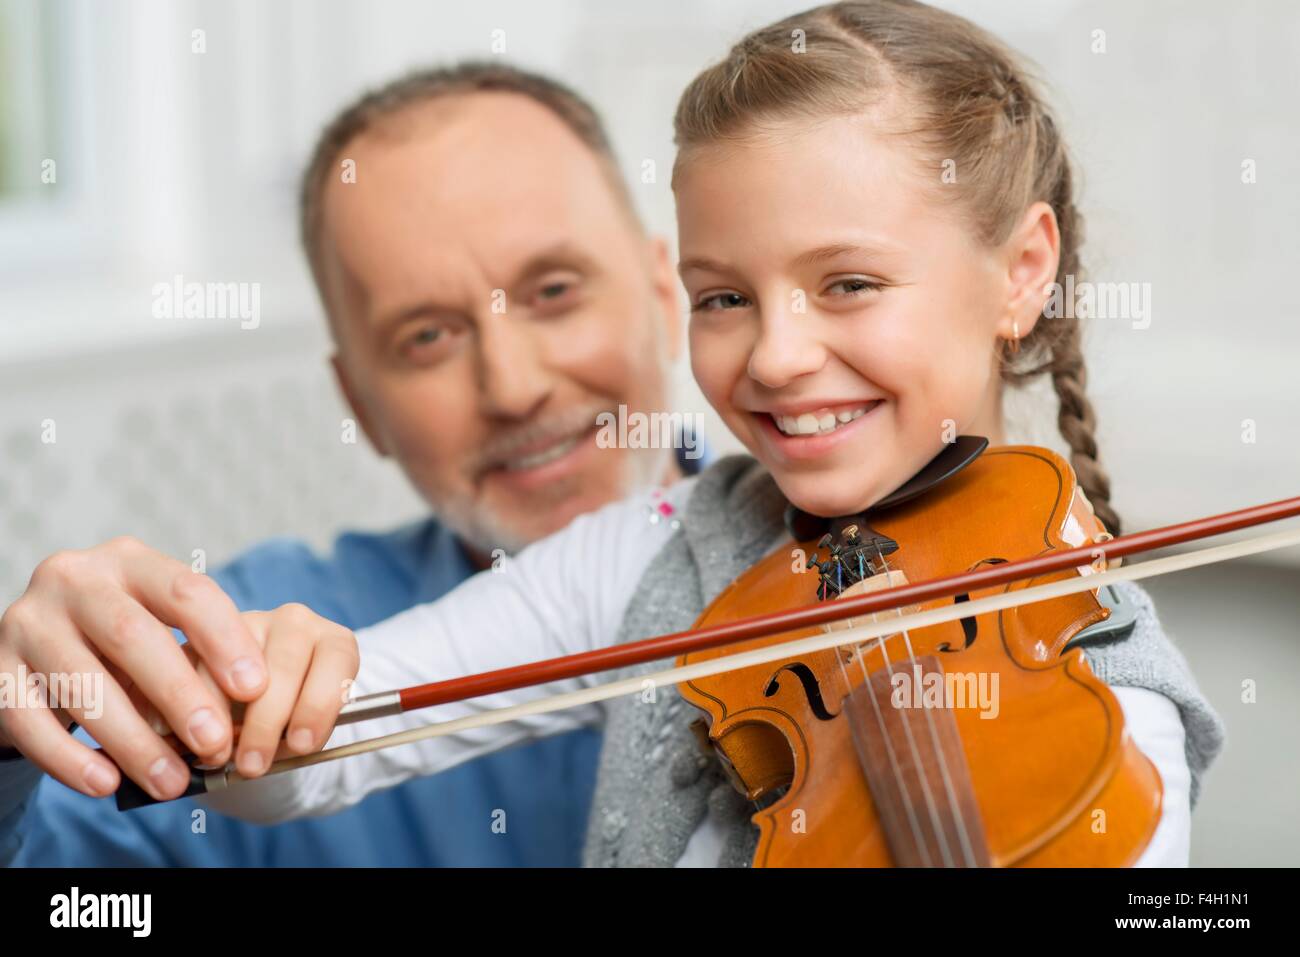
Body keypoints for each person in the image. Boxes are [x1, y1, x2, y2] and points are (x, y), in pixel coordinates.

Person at [2, 0, 1224, 867]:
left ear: (1020, 276)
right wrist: (240, 696)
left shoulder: (1105, 669)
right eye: (727, 297)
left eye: (848, 283)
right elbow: (322, 749)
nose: (780, 353)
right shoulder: (650, 558)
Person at [0, 62, 702, 867]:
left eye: (553, 290)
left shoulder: (848, 563)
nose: (513, 388)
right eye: (427, 336)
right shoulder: (245, 648)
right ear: (361, 405)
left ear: (663, 295)